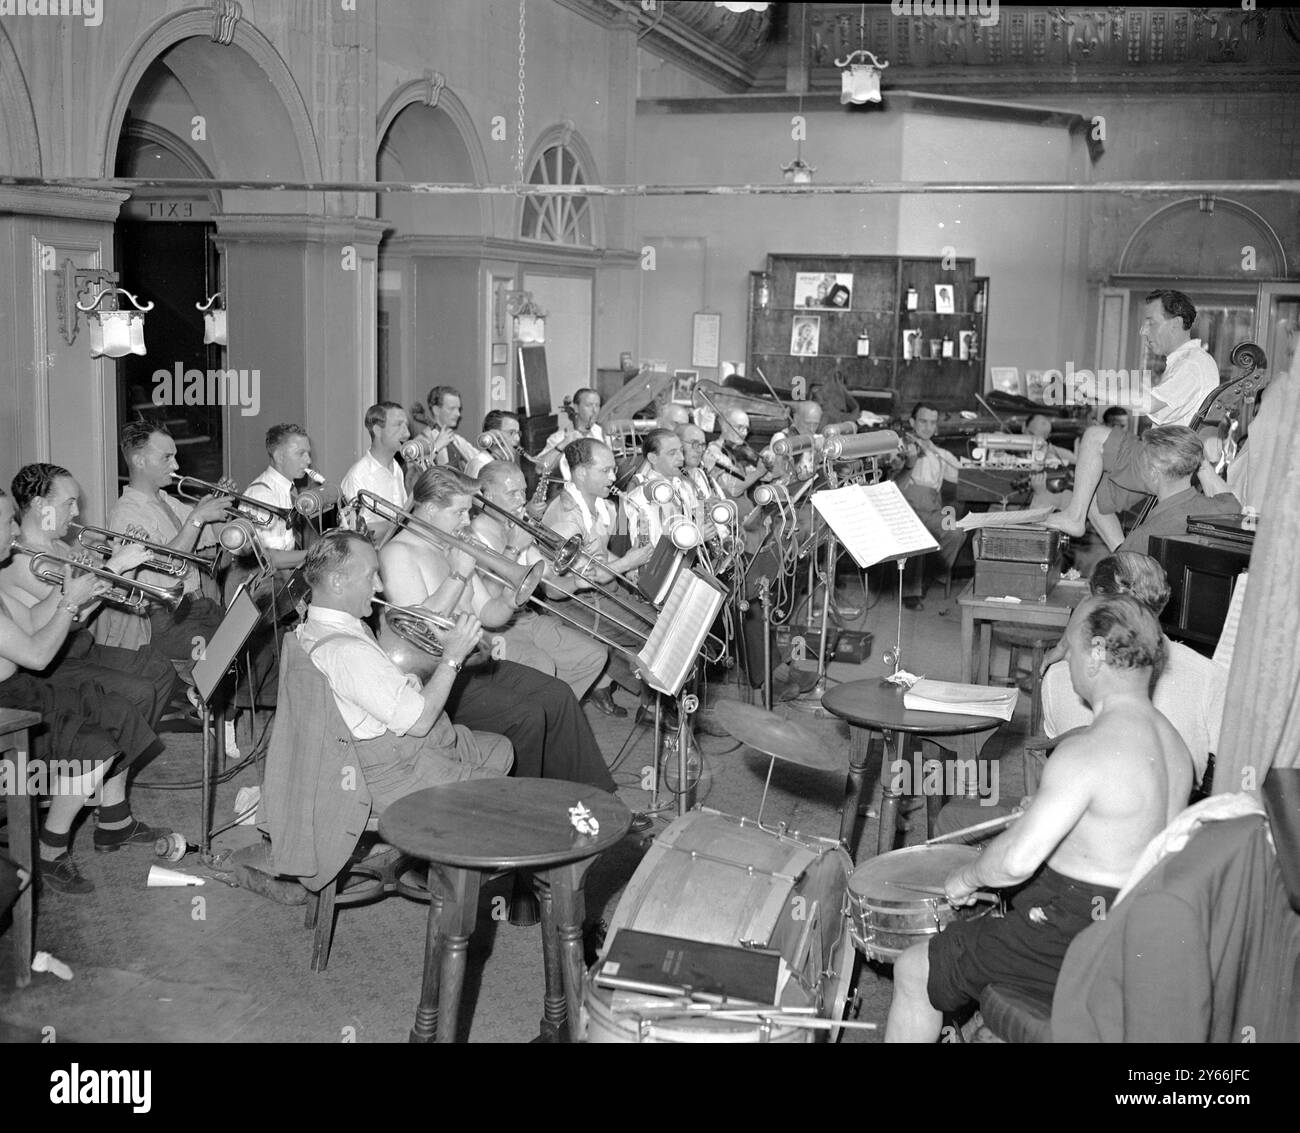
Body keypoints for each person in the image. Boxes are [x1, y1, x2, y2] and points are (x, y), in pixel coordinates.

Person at [885, 593, 1193, 1042]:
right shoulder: (1175, 747)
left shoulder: (1088, 750)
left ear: (1098, 656)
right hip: (1138, 927)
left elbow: (1014, 864)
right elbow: (1129, 837)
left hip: (1073, 933)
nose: (1065, 660)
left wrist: (967, 879)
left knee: (914, 969)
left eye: (1069, 648)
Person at [378, 465, 618, 791]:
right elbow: (423, 633)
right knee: (528, 716)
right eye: (460, 512)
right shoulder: (397, 553)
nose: (466, 521)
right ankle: (522, 805)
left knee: (558, 694)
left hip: (474, 663)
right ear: (430, 509)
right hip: (438, 677)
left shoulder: (449, 545)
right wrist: (459, 573)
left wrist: (511, 597)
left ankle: (593, 795)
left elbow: (488, 614)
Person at [0, 487, 172, 894]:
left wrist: (73, 590)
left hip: (19, 689)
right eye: (7, 521)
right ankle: (51, 849)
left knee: (121, 711)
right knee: (95, 745)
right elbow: (38, 656)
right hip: (11, 706)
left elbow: (28, 620)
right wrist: (69, 603)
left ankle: (112, 821)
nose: (13, 529)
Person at [292, 530, 513, 811]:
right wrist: (452, 657)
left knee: (502, 748)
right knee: (509, 798)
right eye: (371, 575)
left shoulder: (326, 625)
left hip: (402, 745)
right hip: (397, 772)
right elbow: (420, 723)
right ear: (337, 582)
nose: (380, 586)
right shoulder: (347, 653)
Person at [1045, 290, 1221, 548]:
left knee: (1094, 437)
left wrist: (1096, 389)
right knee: (1090, 495)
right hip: (1171, 460)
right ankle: (1125, 558)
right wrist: (1093, 396)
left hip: (1167, 461)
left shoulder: (1193, 364)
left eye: (1151, 322)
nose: (1142, 331)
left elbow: (1151, 403)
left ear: (1176, 324)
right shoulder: (1191, 363)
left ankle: (1073, 517)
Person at [470, 460, 607, 704]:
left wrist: (576, 583)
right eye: (512, 493)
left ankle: (554, 714)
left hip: (526, 617)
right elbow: (488, 601)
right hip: (492, 629)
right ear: (487, 495)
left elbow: (550, 587)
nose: (522, 500)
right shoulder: (473, 535)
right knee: (541, 667)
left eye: (523, 490)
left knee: (594, 655)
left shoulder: (517, 527)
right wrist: (512, 547)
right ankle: (539, 716)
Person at [94, 421, 231, 665]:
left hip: (199, 607)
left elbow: (212, 535)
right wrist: (197, 517)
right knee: (222, 656)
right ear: (139, 461)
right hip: (166, 619)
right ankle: (202, 699)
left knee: (250, 639)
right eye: (166, 457)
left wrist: (221, 506)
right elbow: (169, 562)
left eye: (175, 457)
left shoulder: (167, 500)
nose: (176, 466)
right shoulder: (125, 513)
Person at [543, 438, 657, 719]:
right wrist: (629, 561)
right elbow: (586, 578)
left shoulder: (603, 505)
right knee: (654, 631)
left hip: (598, 590)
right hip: (573, 602)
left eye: (613, 470)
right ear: (581, 473)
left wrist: (627, 569)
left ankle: (640, 696)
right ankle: (653, 707)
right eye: (605, 471)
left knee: (657, 617)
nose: (614, 476)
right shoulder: (567, 515)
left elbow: (601, 556)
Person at [1114, 425, 1240, 557]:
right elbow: (1229, 500)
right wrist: (1198, 459)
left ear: (1153, 473)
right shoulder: (1226, 509)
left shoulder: (1141, 539)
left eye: (1142, 463)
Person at [893, 402, 965, 611]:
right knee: (917, 532)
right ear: (913, 422)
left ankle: (928, 577)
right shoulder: (900, 445)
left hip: (933, 508)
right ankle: (911, 593)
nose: (927, 427)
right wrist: (908, 458)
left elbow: (963, 475)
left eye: (932, 423)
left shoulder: (939, 453)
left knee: (956, 532)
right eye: (923, 421)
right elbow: (893, 472)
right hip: (906, 507)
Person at [340, 401, 410, 542]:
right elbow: (355, 533)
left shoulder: (397, 468)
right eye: (398, 425)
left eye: (406, 426)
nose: (407, 433)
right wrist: (403, 524)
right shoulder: (357, 476)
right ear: (377, 430)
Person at [409, 385, 481, 473]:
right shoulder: (420, 442)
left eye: (459, 409)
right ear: (436, 410)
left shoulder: (456, 439)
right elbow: (415, 473)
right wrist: (437, 446)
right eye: (452, 408)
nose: (458, 414)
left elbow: (480, 460)